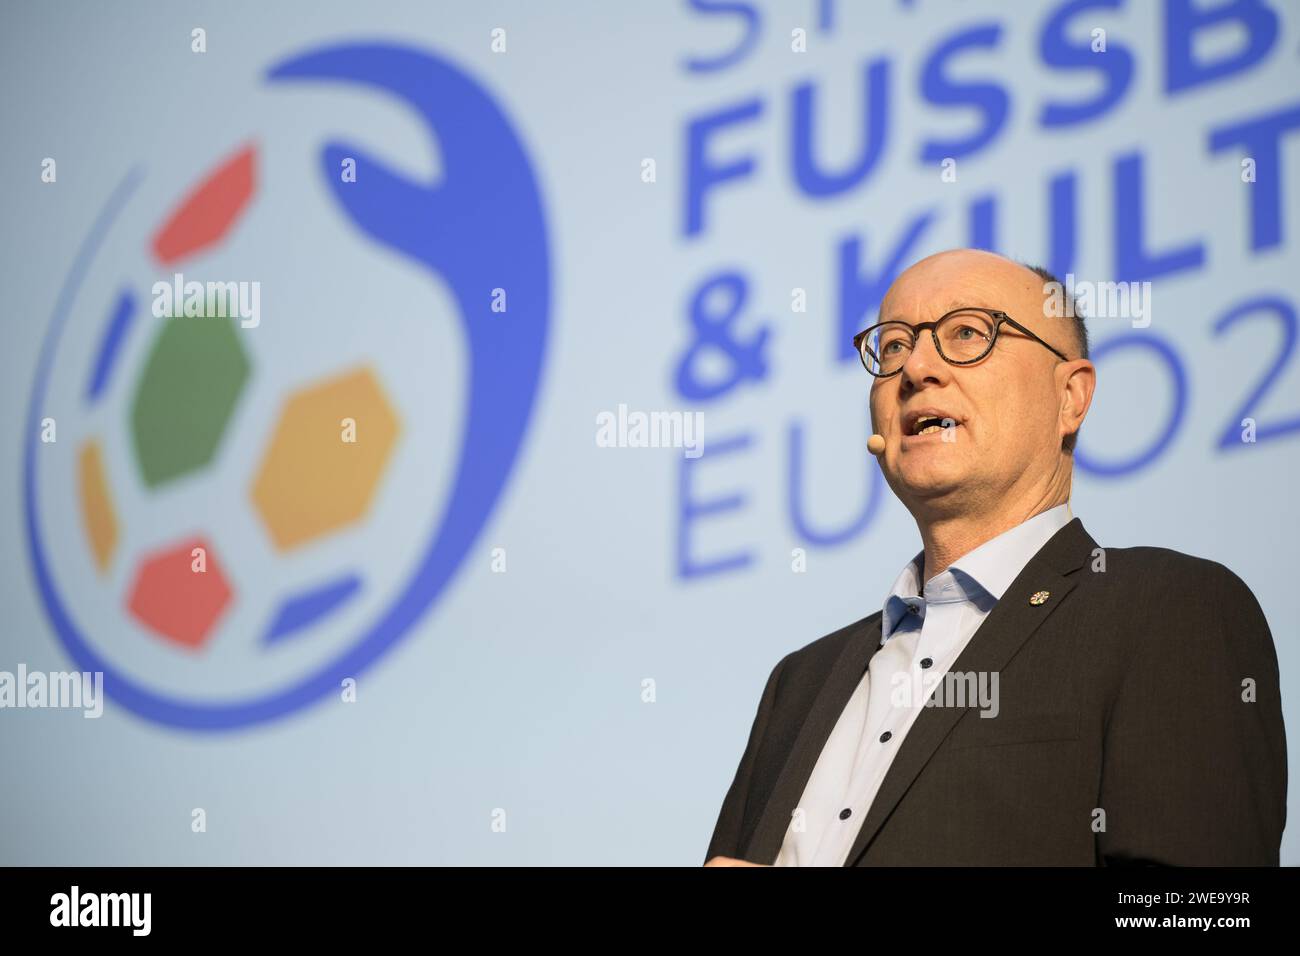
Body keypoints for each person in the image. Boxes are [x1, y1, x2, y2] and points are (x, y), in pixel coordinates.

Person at [704, 248, 1287, 866]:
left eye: (966, 334)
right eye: (894, 345)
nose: (916, 368)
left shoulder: (1169, 610)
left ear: (1070, 398)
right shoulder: (798, 683)